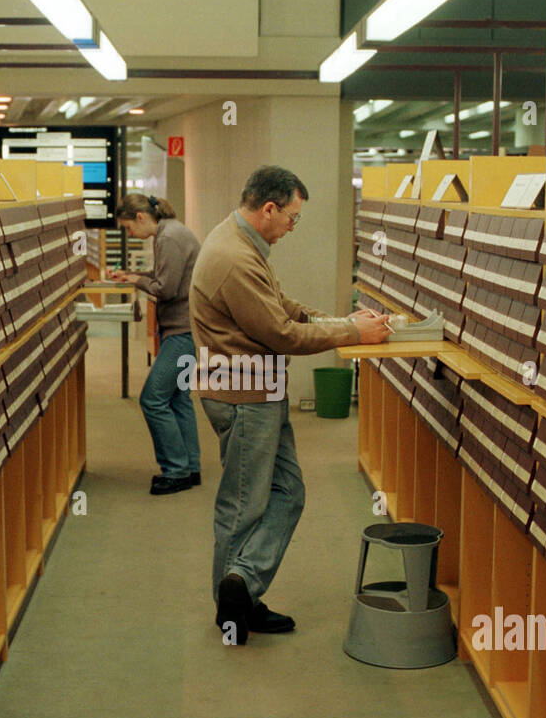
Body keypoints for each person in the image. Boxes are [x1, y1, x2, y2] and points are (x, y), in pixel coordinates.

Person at [188, 165, 391, 645]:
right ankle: (234, 609)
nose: (293, 227)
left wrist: (341, 321)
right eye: (292, 218)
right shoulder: (234, 259)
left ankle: (241, 585)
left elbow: (280, 305)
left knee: (287, 493)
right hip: (243, 398)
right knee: (242, 506)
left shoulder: (242, 242)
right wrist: (351, 333)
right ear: (269, 209)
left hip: (258, 391)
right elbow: (280, 333)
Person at [110, 193, 203, 495]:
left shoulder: (169, 238)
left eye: (127, 228)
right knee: (177, 399)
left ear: (139, 217)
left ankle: (176, 471)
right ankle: (190, 467)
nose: (129, 235)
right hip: (184, 328)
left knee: (152, 399)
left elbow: (166, 289)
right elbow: (165, 276)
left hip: (182, 331)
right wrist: (133, 274)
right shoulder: (171, 232)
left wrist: (135, 282)